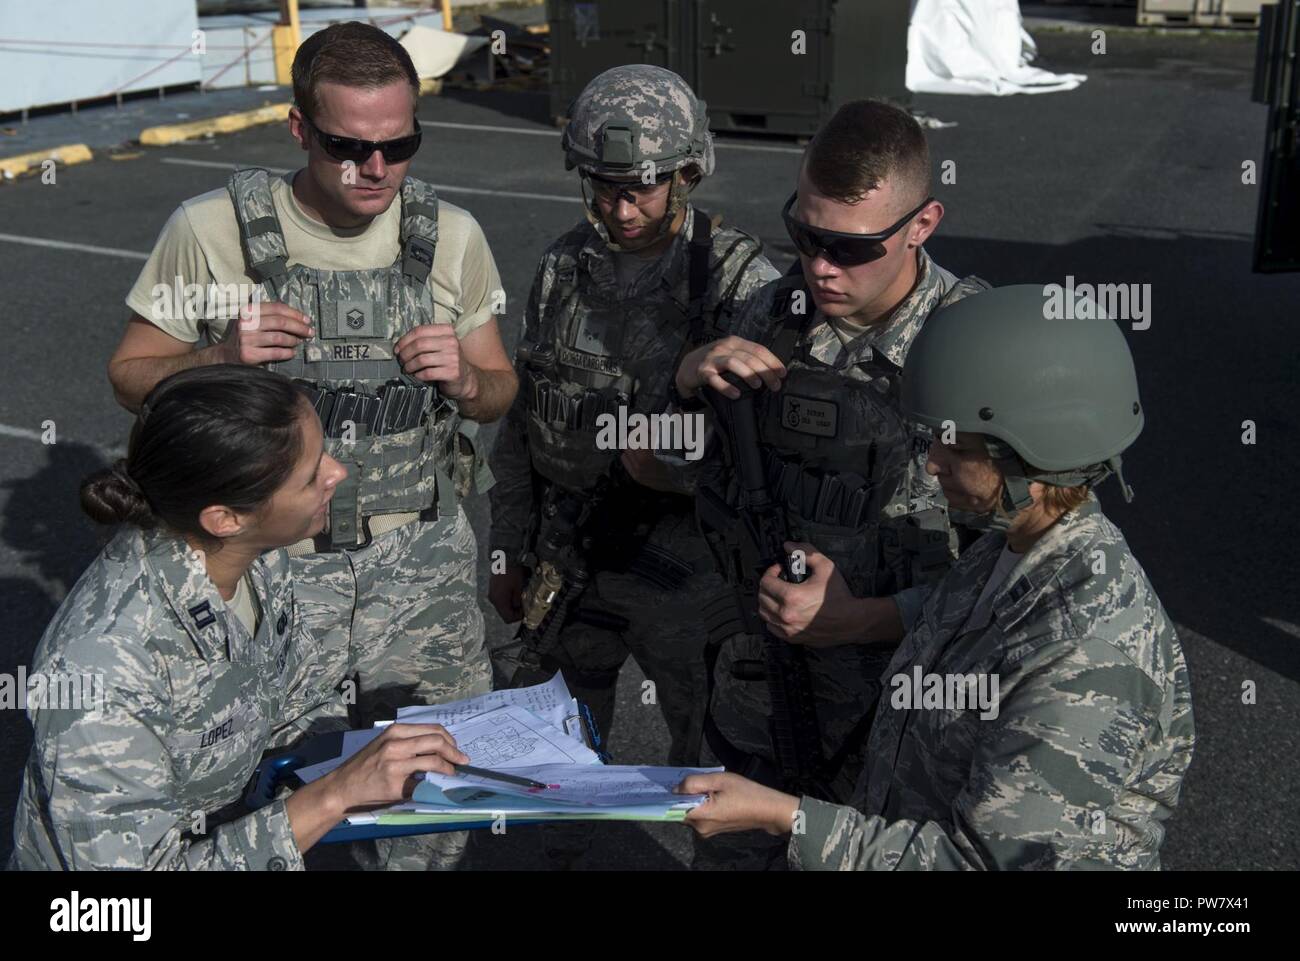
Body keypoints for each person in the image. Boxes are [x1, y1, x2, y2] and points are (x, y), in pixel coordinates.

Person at [105, 22, 517, 869]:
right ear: (299, 129)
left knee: (433, 790)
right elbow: (128, 373)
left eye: (399, 146)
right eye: (348, 147)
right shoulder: (212, 229)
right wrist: (216, 357)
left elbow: (500, 384)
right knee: (265, 782)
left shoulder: (453, 237)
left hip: (421, 557)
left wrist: (468, 385)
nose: (376, 170)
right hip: (275, 563)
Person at [678, 284, 1196, 870]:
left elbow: (978, 863)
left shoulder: (1086, 655)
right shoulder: (1017, 545)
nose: (931, 462)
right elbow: (962, 619)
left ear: (1028, 454)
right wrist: (854, 618)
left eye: (953, 444)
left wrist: (783, 815)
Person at [670, 99, 986, 868]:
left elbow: (1027, 571)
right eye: (805, 235)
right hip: (759, 704)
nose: (819, 267)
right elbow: (673, 472)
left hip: (902, 733)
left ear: (923, 223)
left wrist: (865, 618)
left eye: (850, 248)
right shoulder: (772, 313)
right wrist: (683, 382)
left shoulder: (976, 347)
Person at [9, 365, 472, 870]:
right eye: (312, 472)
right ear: (225, 518)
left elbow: (284, 696)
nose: (338, 473)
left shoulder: (256, 554)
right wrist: (332, 796)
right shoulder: (104, 673)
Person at [487, 64, 778, 766]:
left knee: (705, 763)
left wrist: (677, 471)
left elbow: (769, 455)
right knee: (549, 758)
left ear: (686, 174)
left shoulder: (736, 280)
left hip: (684, 573)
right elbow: (525, 423)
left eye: (642, 187)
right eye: (605, 187)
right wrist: (507, 549)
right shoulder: (565, 265)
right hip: (568, 555)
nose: (622, 209)